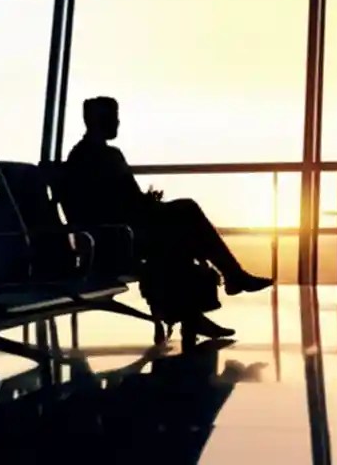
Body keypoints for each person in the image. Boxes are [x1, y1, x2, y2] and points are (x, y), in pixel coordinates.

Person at [64, 96, 273, 340]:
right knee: (185, 216)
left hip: (121, 231)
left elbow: (113, 201)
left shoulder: (86, 156)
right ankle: (229, 281)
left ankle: (202, 308)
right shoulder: (101, 157)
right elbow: (113, 205)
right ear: (101, 121)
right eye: (114, 117)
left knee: (181, 231)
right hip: (118, 237)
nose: (118, 123)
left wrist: (146, 202)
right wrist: (147, 204)